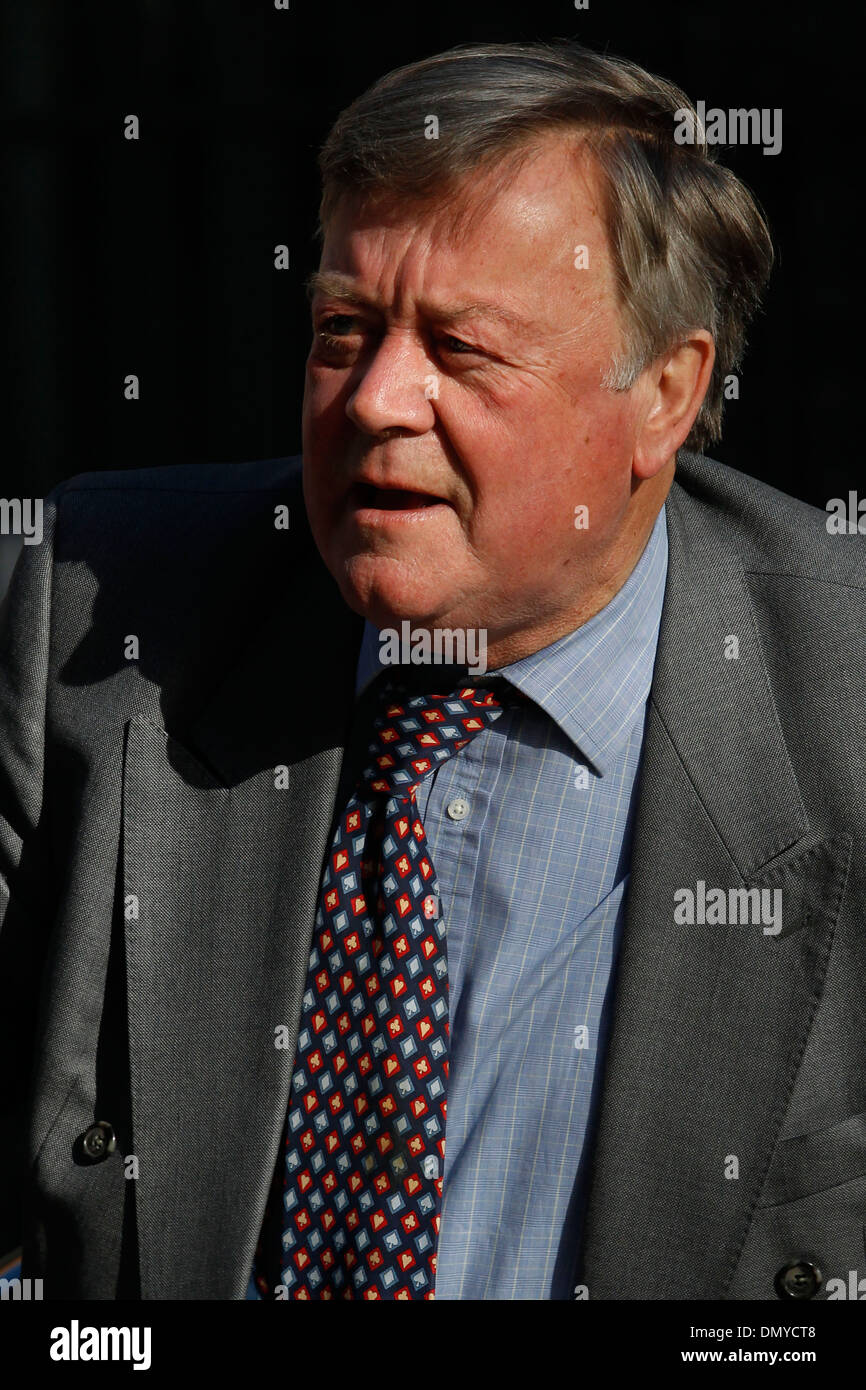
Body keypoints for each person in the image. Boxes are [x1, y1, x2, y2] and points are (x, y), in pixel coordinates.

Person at [1, 40, 864, 1303]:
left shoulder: (837, 695)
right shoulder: (99, 615)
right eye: (343, 329)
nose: (375, 401)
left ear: (664, 395)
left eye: (460, 350)